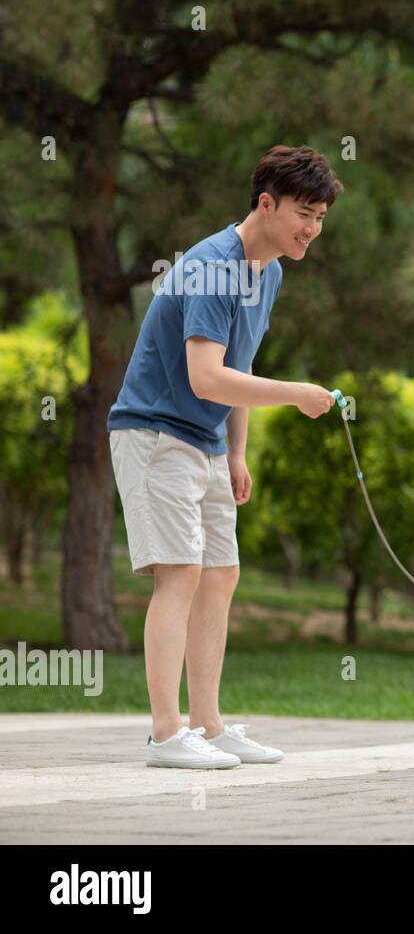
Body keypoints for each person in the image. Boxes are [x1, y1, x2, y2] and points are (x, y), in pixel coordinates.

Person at [107, 145, 343, 768]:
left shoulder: (270, 273)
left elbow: (238, 367)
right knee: (178, 573)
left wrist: (237, 450)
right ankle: (165, 734)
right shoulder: (213, 266)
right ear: (266, 204)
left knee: (221, 574)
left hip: (206, 441)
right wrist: (294, 396)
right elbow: (206, 376)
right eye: (304, 213)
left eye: (320, 217)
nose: (312, 229)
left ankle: (209, 727)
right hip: (156, 433)